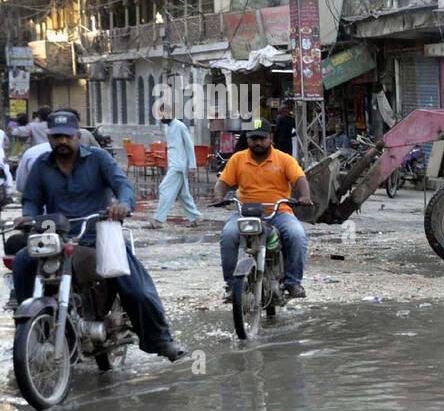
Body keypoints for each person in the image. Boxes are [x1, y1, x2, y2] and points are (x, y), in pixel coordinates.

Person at [14, 109, 188, 361]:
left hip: (99, 235)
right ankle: (31, 328)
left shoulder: (98, 159)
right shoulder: (41, 166)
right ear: (49, 138)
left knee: (136, 288)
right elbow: (31, 200)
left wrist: (123, 205)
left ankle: (161, 340)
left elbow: (123, 185)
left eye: (67, 136)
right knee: (21, 262)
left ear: (77, 135)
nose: (62, 141)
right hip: (56, 236)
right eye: (56, 137)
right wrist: (28, 216)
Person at [211, 122, 312, 300]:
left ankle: (293, 283)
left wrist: (304, 196)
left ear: (270, 138)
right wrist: (218, 196)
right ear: (247, 139)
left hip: (279, 212)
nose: (258, 142)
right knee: (228, 235)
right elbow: (223, 183)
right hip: (245, 212)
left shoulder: (284, 159)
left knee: (297, 235)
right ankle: (232, 286)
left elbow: (300, 179)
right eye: (253, 138)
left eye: (262, 138)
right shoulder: (238, 159)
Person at [150, 116, 201, 228]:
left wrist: (192, 166)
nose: (160, 119)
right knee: (183, 194)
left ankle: (158, 220)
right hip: (175, 165)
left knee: (164, 188)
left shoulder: (180, 126)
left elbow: (189, 146)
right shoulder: (169, 127)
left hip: (178, 166)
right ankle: (195, 218)